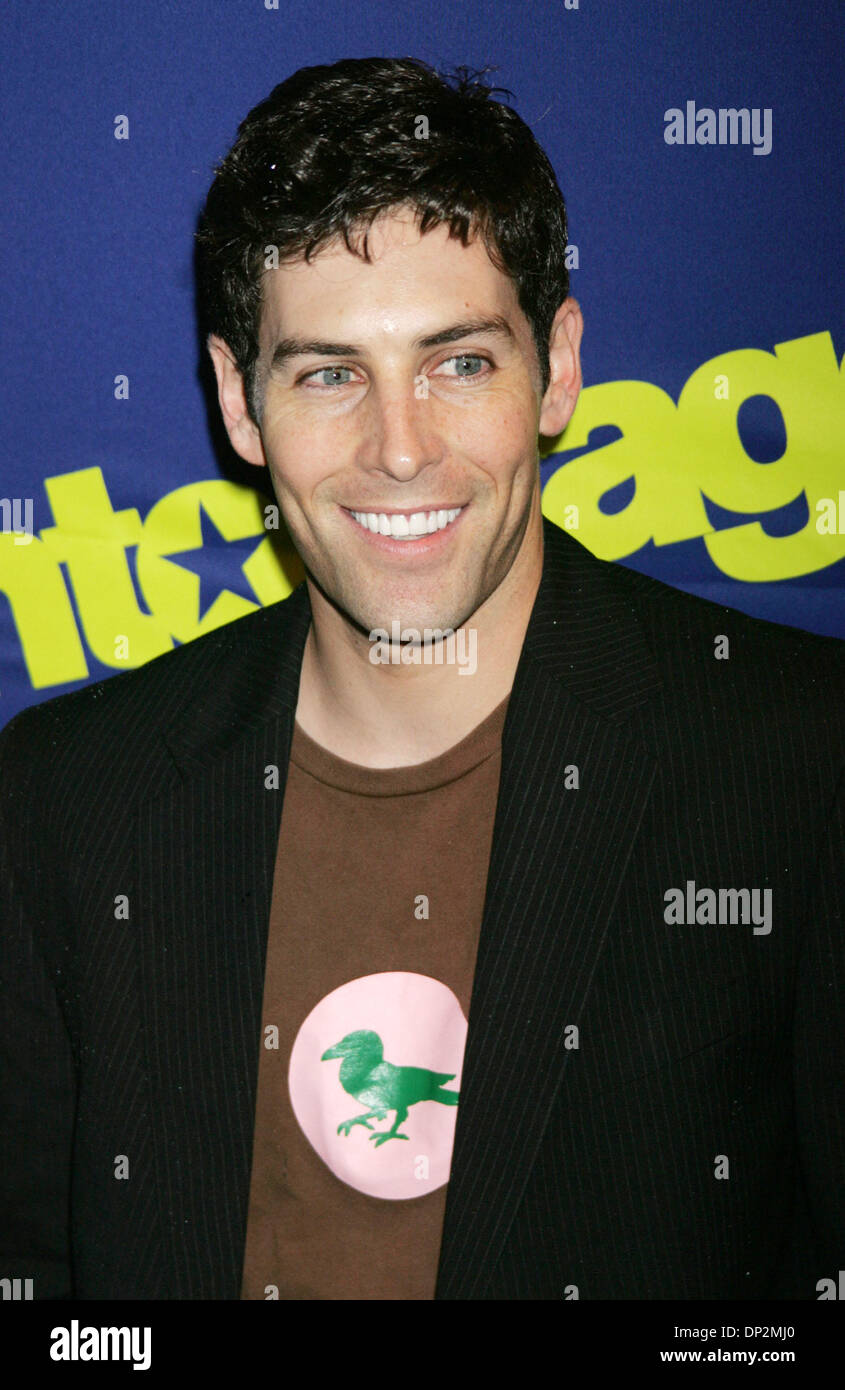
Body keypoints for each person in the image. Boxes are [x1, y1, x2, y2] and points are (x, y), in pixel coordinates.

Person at [1, 56, 842, 1302]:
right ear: (239, 404)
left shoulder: (795, 761)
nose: (400, 451)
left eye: (457, 363)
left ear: (556, 369)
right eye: (330, 373)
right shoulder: (64, 804)